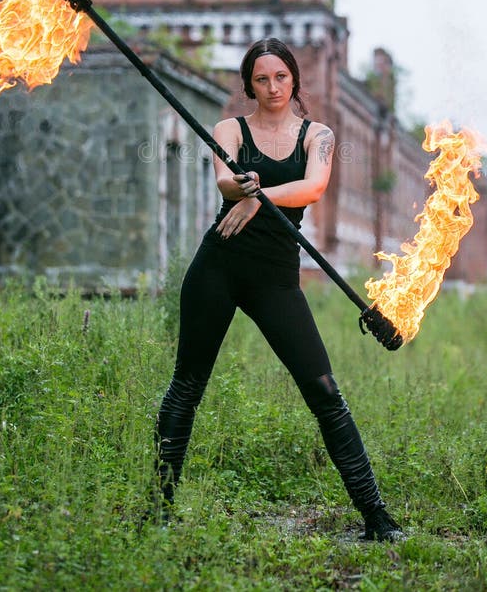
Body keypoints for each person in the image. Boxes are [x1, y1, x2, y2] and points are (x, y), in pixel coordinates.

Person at [154, 38, 403, 542]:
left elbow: (312, 188)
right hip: (218, 267)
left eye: (281, 77)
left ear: (295, 79)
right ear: (249, 83)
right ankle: (157, 510)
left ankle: (377, 518)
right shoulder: (230, 128)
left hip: (275, 279)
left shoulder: (320, 135)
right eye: (262, 79)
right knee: (187, 385)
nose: (272, 87)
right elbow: (224, 182)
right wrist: (241, 189)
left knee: (325, 392)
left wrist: (259, 196)